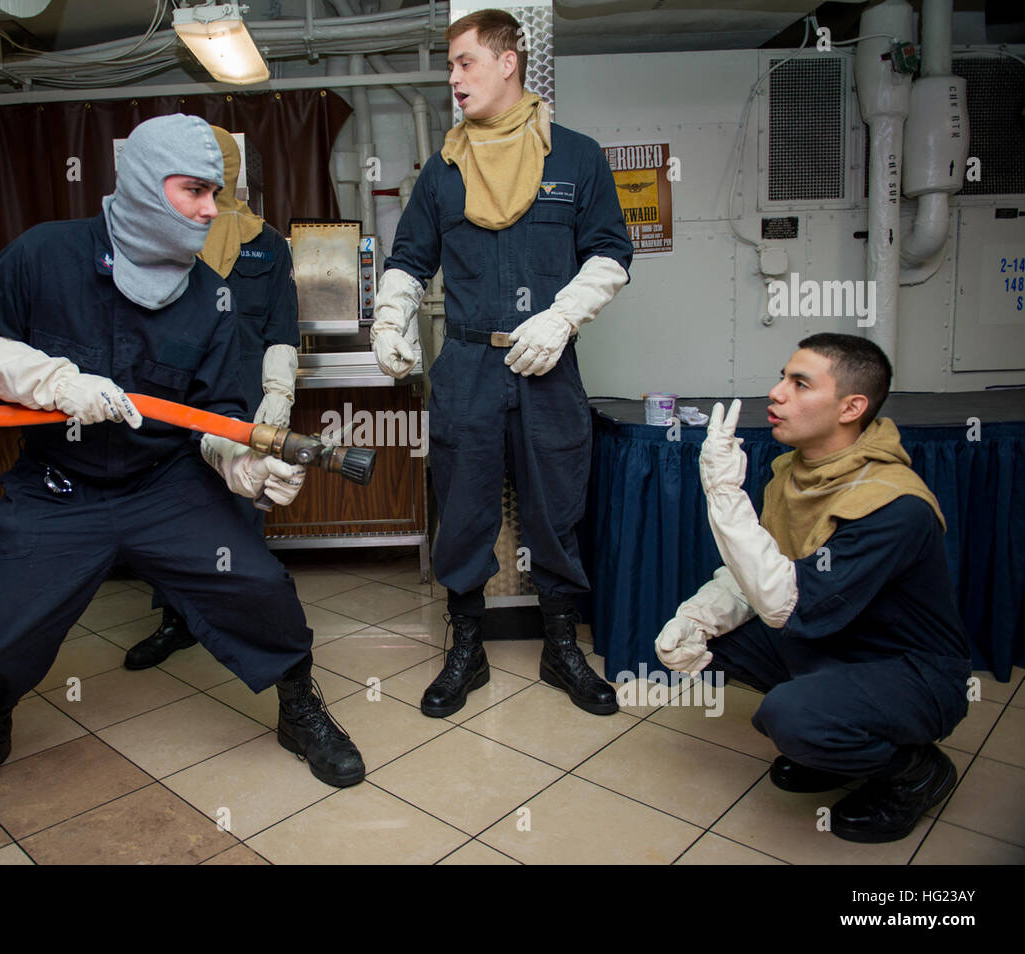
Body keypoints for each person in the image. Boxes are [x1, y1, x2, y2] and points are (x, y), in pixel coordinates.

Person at [0, 114, 364, 815]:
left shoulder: (209, 297)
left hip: (165, 486)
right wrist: (46, 379)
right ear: (140, 182)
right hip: (57, 489)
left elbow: (220, 417)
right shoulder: (44, 256)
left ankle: (298, 706)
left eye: (217, 193)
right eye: (194, 191)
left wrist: (245, 468)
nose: (211, 210)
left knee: (260, 587)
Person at [371, 9, 633, 718]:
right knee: (461, 511)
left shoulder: (574, 157)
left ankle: (560, 646)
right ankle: (466, 650)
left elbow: (611, 252)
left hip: (549, 366)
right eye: (450, 66)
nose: (453, 78)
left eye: (464, 62)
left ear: (508, 61)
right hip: (467, 366)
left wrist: (561, 317)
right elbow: (409, 260)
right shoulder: (441, 172)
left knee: (557, 508)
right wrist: (388, 316)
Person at [655, 333, 970, 844]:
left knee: (789, 717)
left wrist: (724, 494)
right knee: (714, 639)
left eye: (800, 384)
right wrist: (697, 618)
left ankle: (913, 771)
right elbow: (759, 572)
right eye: (782, 378)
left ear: (851, 407)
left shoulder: (892, 503)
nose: (777, 393)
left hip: (910, 668)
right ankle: (836, 745)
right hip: (836, 635)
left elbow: (786, 605)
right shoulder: (796, 474)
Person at [124, 125, 300, 671]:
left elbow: (282, 327)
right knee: (172, 509)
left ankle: (246, 620)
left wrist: (278, 393)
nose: (211, 198)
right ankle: (176, 620)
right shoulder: (166, 239)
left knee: (245, 513)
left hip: (243, 404)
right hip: (173, 406)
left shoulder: (266, 244)